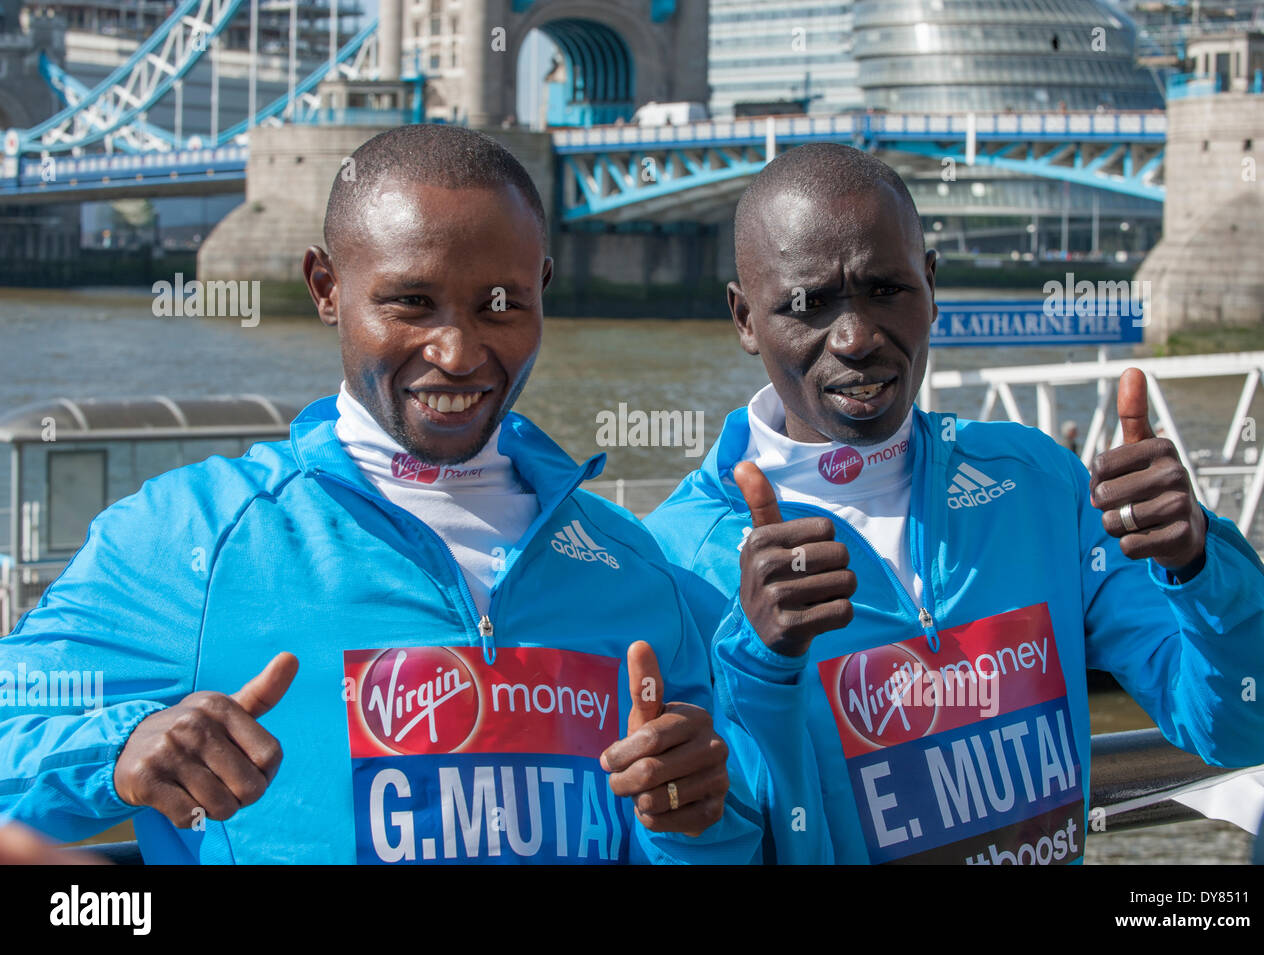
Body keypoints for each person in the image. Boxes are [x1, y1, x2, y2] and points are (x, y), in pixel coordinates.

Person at [0, 125, 758, 865]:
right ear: (326, 288)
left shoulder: (633, 565)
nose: (457, 353)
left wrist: (693, 820)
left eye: (499, 306)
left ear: (542, 290)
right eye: (411, 303)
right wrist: (119, 750)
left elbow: (721, 835)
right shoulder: (190, 536)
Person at [645, 143, 1264, 864]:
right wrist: (760, 663)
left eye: (886, 290)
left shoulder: (1038, 482)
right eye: (809, 304)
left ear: (930, 286)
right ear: (745, 318)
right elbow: (695, 842)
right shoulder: (672, 563)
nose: (856, 338)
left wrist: (1198, 561)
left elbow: (1243, 728)